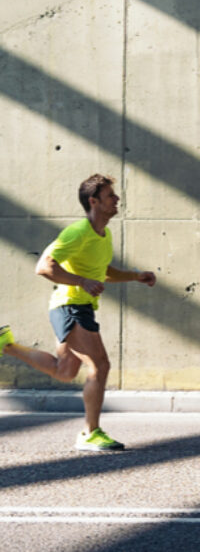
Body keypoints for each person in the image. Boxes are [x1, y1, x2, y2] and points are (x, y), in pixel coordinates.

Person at [0, 174, 156, 451]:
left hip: (77, 307)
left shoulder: (103, 234)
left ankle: (7, 346)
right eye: (110, 196)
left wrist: (135, 276)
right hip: (71, 306)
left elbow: (103, 271)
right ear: (94, 201)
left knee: (64, 371)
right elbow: (45, 267)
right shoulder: (78, 232)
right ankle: (90, 433)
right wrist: (82, 282)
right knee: (101, 365)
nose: (117, 199)